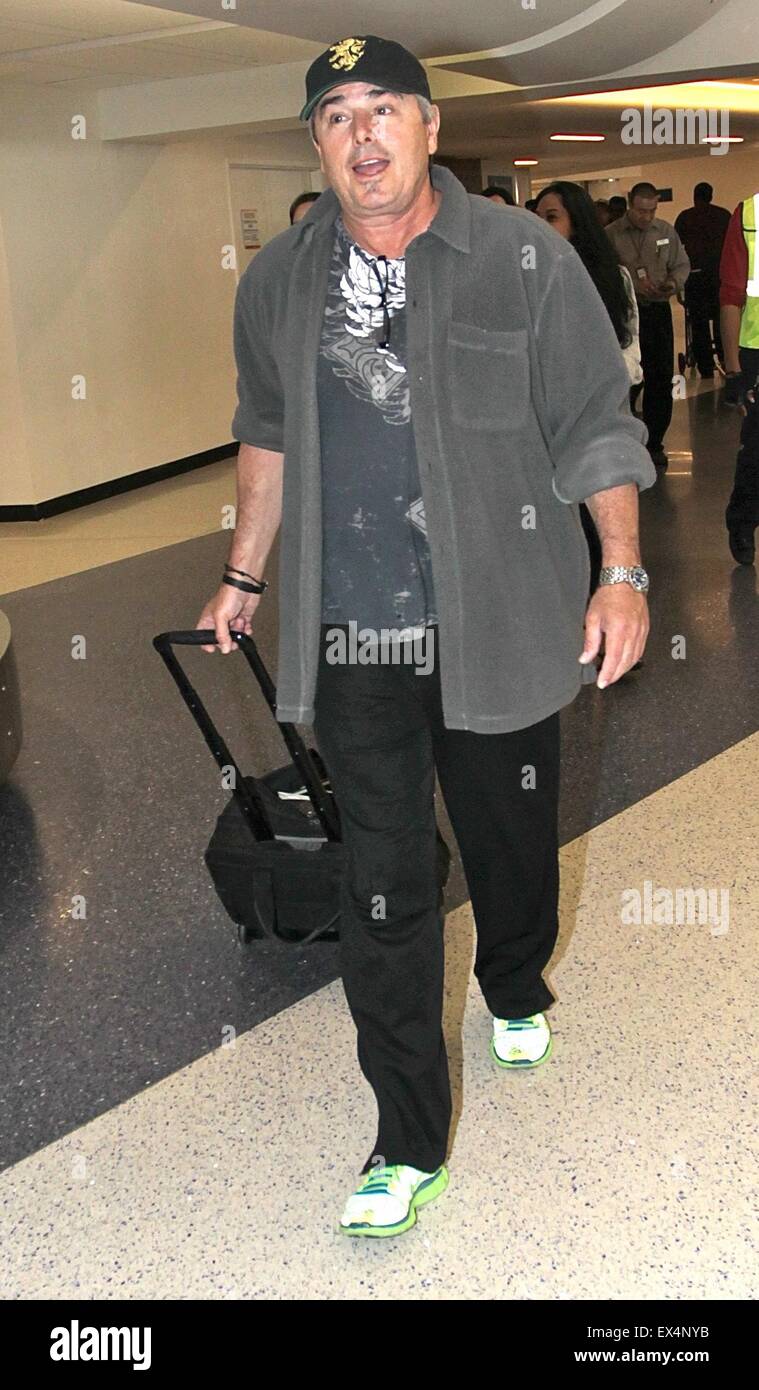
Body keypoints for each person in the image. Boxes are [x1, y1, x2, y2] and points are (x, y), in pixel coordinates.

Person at [196, 33, 655, 1239]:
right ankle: (405, 1136)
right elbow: (267, 433)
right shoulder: (278, 283)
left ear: (431, 126)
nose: (362, 134)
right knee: (383, 879)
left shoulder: (522, 258)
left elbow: (595, 422)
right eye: (336, 115)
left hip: (503, 616)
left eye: (383, 107)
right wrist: (243, 570)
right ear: (317, 143)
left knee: (509, 843)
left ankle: (512, 976)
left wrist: (624, 571)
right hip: (358, 633)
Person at [535, 181, 643, 591]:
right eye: (538, 215)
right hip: (547, 420)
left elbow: (630, 344)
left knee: (597, 516)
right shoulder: (531, 274)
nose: (541, 226)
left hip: (597, 409)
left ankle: (611, 601)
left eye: (552, 217)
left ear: (577, 223)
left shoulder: (609, 277)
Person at [606, 181, 690, 470]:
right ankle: (623, 439)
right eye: (641, 211)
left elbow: (681, 265)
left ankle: (655, 442)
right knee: (628, 378)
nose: (646, 217)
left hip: (657, 313)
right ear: (631, 204)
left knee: (660, 377)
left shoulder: (665, 232)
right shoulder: (612, 235)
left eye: (652, 210)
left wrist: (671, 284)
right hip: (628, 314)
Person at [719, 190, 759, 564]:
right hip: (756, 351)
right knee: (757, 450)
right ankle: (743, 522)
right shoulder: (749, 214)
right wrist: (734, 370)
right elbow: (731, 297)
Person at [674, 182, 731, 378]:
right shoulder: (723, 216)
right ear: (711, 196)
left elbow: (677, 249)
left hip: (695, 278)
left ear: (694, 196)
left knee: (698, 323)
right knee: (721, 320)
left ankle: (705, 365)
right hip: (718, 277)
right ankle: (725, 358)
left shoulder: (685, 218)